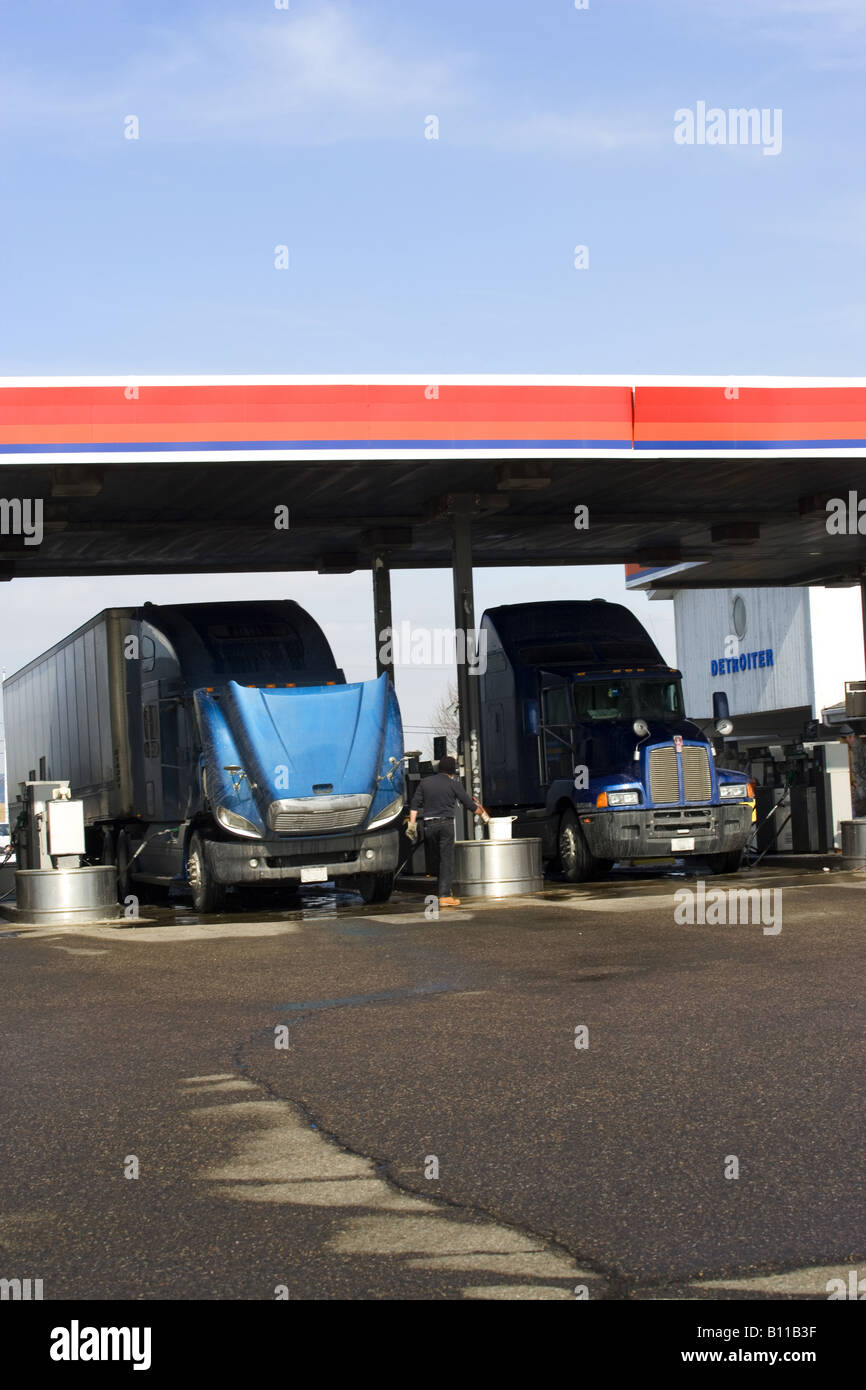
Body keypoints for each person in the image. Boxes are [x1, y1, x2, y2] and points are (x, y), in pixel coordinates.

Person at [407, 755, 489, 908]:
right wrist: (484, 815)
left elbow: (414, 804)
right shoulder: (454, 784)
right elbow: (469, 804)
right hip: (446, 825)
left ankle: (443, 890)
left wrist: (412, 824)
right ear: (453, 770)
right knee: (446, 860)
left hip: (428, 825)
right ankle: (444, 896)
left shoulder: (425, 783)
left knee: (436, 859)